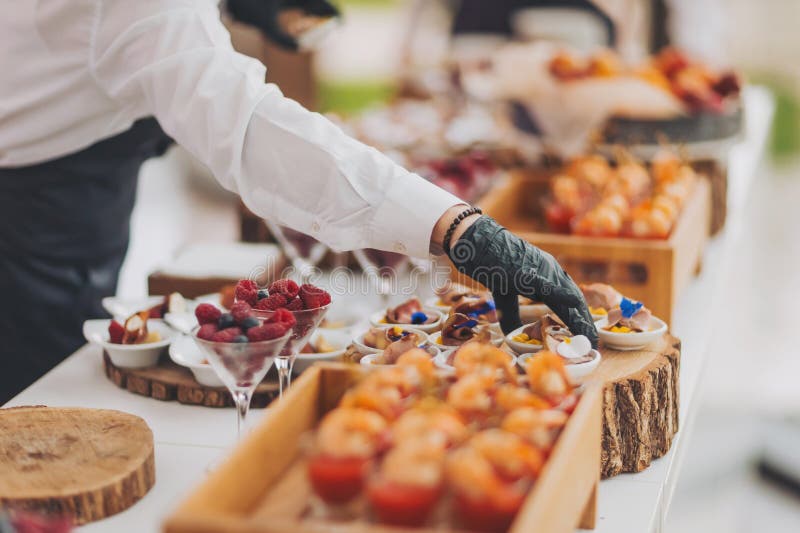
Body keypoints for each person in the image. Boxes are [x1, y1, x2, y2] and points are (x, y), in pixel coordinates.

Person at [0, 0, 596, 403]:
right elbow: (250, 130)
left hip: (69, 159)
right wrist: (458, 228)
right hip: (32, 207)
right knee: (38, 409)